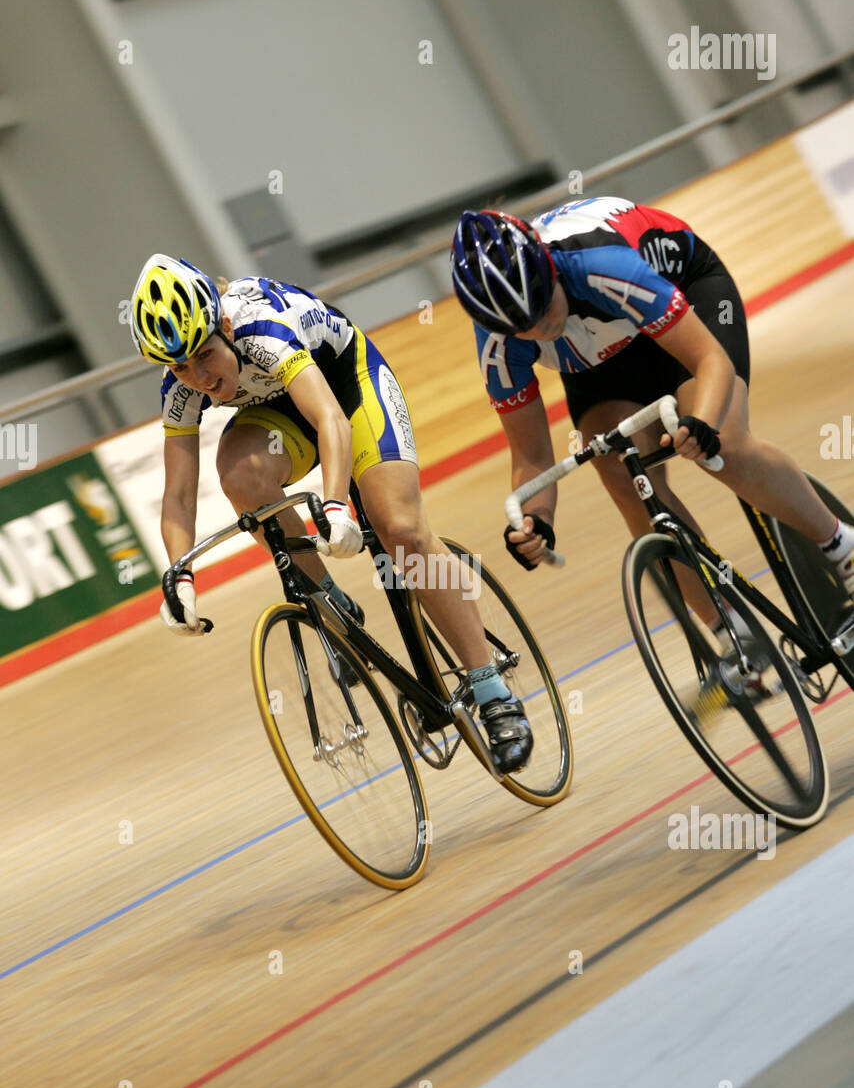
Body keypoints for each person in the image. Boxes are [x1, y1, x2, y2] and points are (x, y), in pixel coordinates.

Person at [128, 254, 532, 773]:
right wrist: (178, 574)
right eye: (181, 366)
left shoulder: (264, 331)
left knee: (401, 531)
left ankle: (492, 689)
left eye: (205, 354)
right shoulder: (180, 387)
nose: (199, 377)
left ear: (225, 327)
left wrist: (337, 504)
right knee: (237, 473)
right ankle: (333, 603)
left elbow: (330, 418)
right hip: (278, 413)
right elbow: (179, 496)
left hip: (349, 386)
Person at [450, 198, 854, 654]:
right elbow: (533, 458)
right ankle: (730, 635)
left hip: (690, 294)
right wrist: (536, 520)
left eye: (543, 307)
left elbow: (709, 359)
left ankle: (842, 545)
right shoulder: (498, 348)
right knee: (624, 475)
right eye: (522, 327)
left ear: (550, 270)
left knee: (726, 448)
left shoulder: (601, 265)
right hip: (598, 358)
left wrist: (701, 422)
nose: (542, 328)